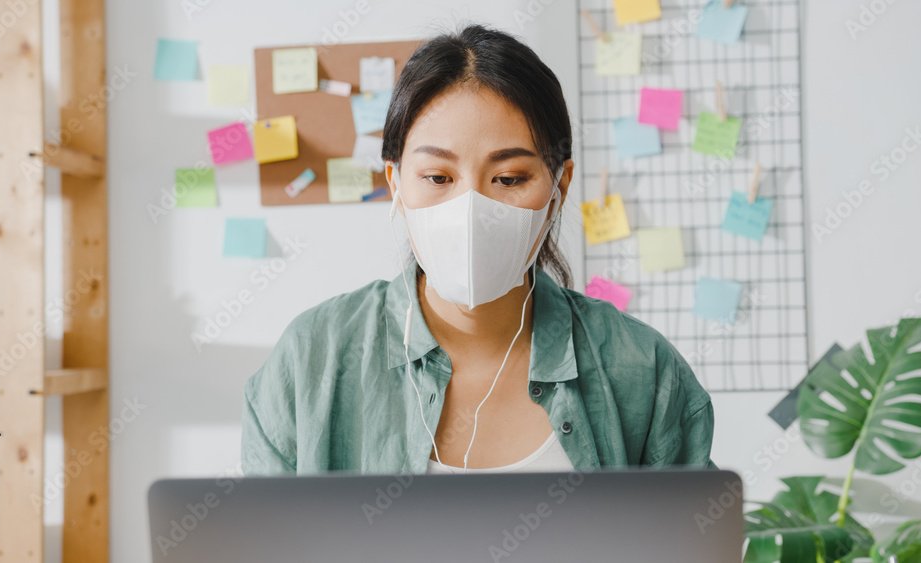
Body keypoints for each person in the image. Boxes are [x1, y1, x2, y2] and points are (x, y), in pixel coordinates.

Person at [241, 24, 715, 476]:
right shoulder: (310, 362)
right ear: (396, 184)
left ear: (559, 188)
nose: (470, 208)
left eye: (508, 179)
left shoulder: (642, 368)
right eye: (438, 178)